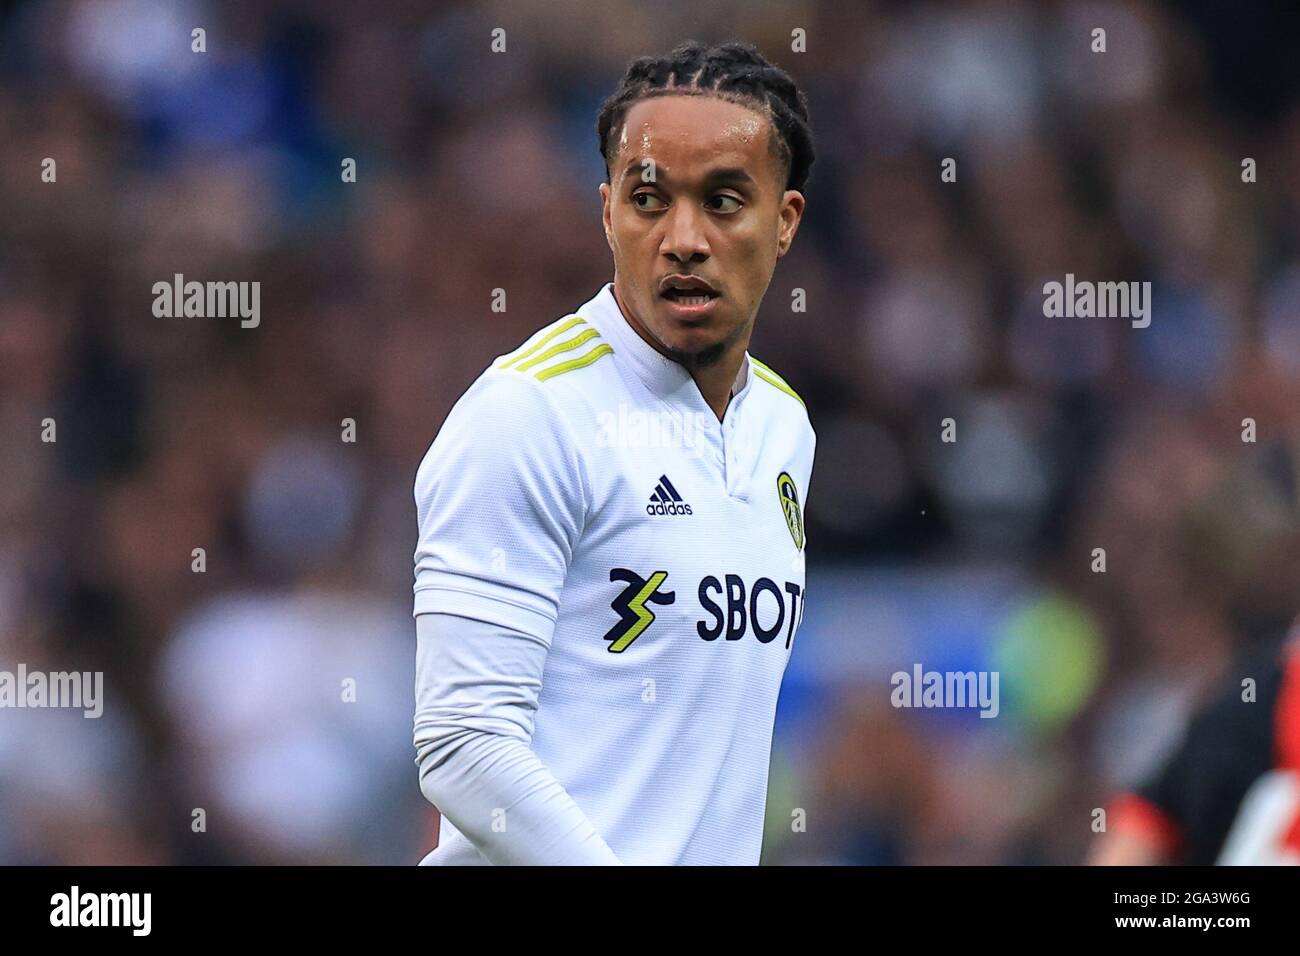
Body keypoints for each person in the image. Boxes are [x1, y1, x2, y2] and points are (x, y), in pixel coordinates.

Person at [411, 39, 816, 864]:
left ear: (784, 222)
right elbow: (461, 743)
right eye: (648, 200)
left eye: (725, 201)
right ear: (607, 214)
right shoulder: (529, 414)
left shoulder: (784, 428)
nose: (683, 239)